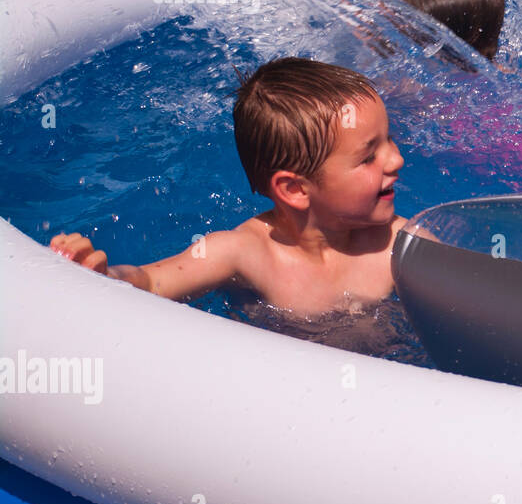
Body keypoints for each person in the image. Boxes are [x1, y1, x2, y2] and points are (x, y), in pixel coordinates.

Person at [48, 57, 407, 317]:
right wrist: (103, 275)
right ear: (295, 189)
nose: (396, 160)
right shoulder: (243, 253)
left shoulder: (401, 243)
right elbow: (152, 282)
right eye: (367, 157)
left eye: (389, 140)